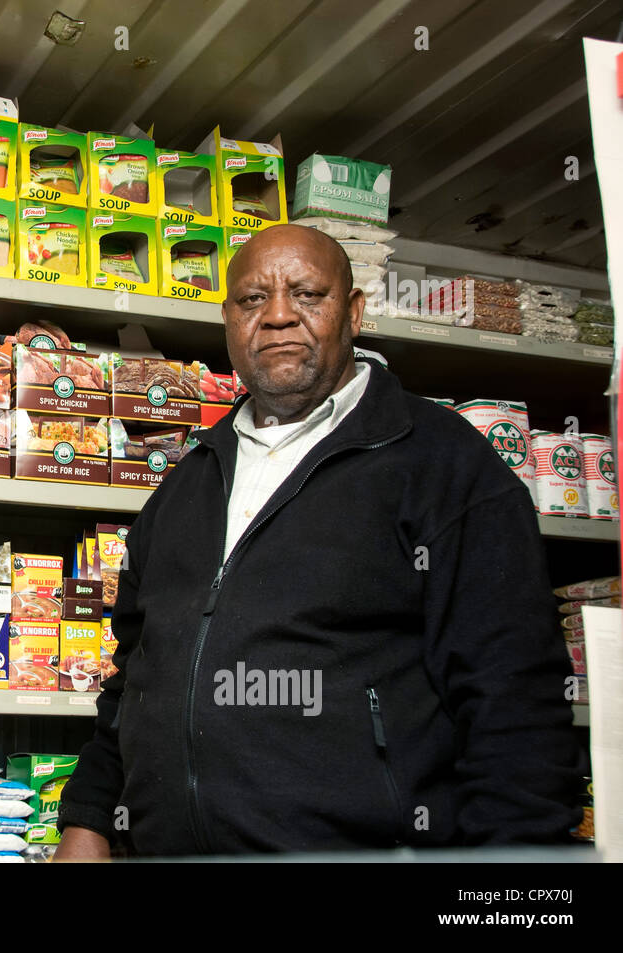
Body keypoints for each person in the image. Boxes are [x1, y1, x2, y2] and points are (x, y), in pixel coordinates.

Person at [55, 224, 582, 859]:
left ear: (354, 313)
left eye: (307, 294)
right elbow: (132, 677)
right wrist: (86, 824)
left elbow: (514, 698)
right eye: (252, 300)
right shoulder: (186, 485)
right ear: (227, 321)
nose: (278, 316)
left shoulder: (442, 464)